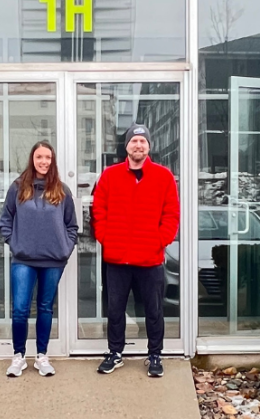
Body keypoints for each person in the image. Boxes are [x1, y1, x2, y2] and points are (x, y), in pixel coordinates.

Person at [91, 124, 180, 378]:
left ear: (148, 146)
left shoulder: (163, 176)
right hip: (117, 259)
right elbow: (98, 210)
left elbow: (171, 214)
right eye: (134, 141)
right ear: (127, 146)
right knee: (115, 309)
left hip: (150, 259)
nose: (138, 145)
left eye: (143, 141)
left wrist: (159, 241)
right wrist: (106, 239)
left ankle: (155, 354)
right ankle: (115, 352)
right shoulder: (110, 175)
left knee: (153, 310)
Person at [0, 141, 78, 377]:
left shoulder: (62, 190)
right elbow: (5, 220)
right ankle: (19, 356)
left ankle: (42, 356)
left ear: (52, 161)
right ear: (32, 159)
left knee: (45, 307)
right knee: (20, 309)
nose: (43, 161)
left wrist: (65, 249)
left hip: (53, 261)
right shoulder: (18, 188)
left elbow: (72, 225)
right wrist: (15, 243)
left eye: (47, 158)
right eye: (39, 157)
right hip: (24, 259)